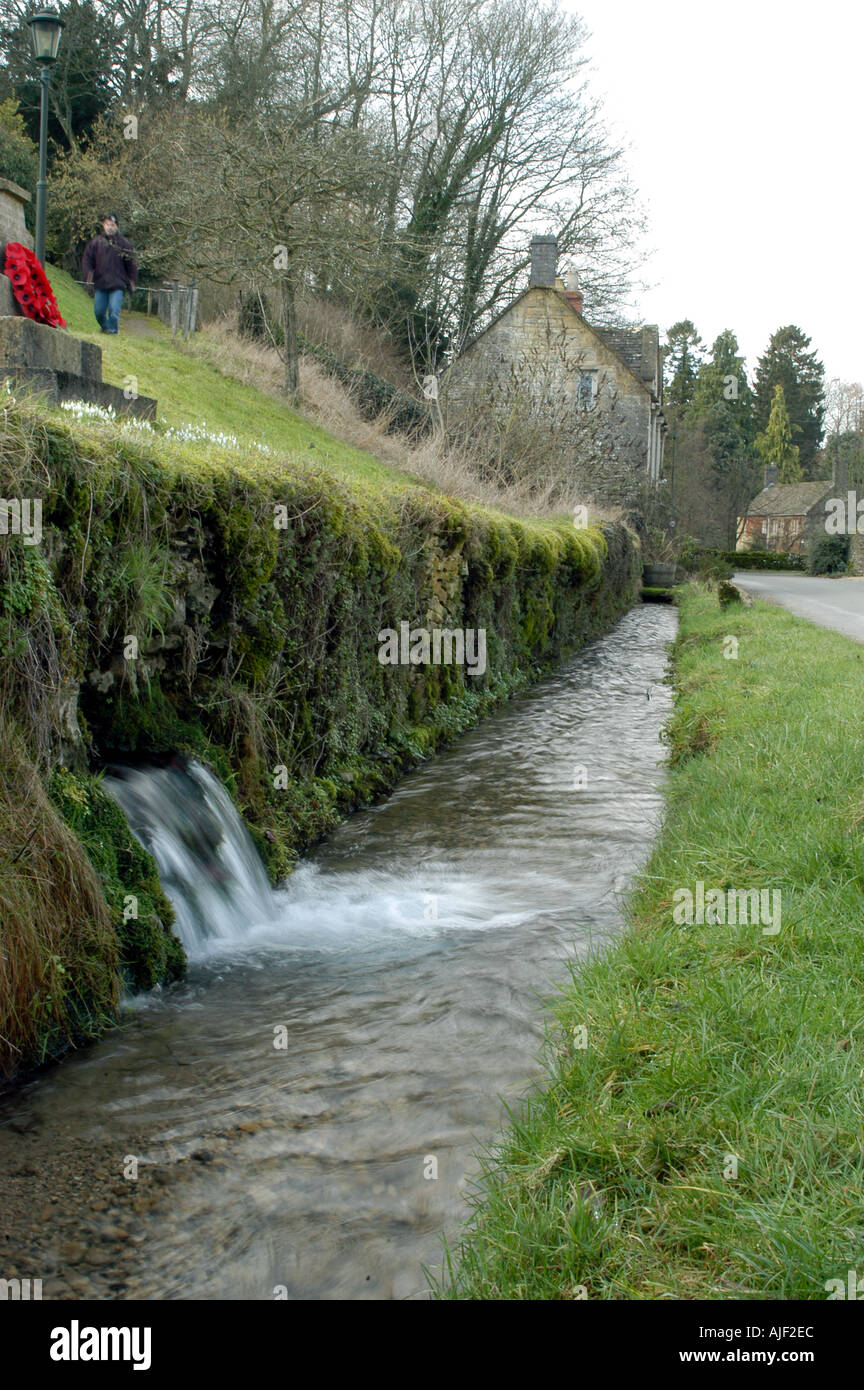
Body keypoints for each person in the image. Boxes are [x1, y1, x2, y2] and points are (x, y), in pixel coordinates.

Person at [81, 213, 137, 335]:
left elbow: (131, 263)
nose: (110, 227)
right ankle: (106, 327)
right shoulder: (96, 243)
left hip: (117, 283)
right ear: (103, 225)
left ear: (117, 227)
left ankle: (112, 331)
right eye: (107, 225)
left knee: (113, 311)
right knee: (99, 312)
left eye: (112, 225)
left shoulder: (124, 244)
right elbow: (87, 259)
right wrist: (88, 274)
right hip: (101, 283)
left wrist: (132, 280)